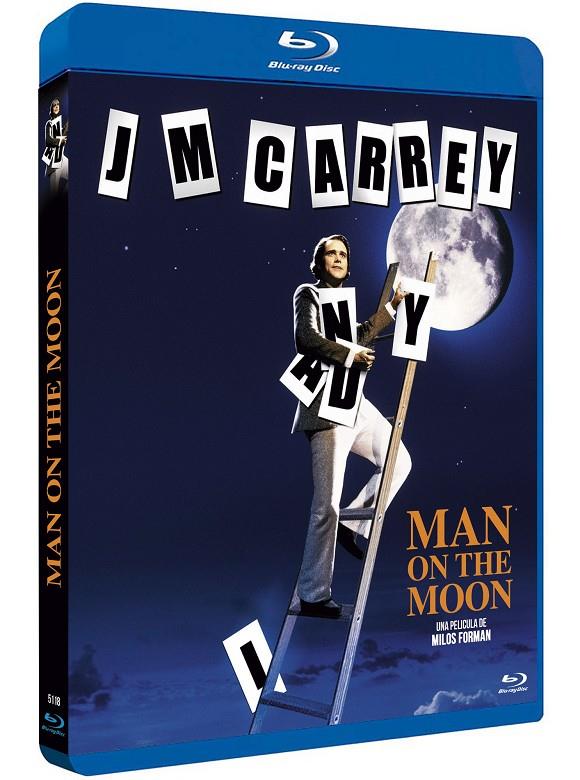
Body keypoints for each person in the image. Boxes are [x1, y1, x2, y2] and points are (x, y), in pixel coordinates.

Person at [292, 234, 412, 618]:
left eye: (343, 254)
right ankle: (314, 595)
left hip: (354, 402)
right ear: (319, 262)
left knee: (399, 461)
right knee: (326, 505)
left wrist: (392, 307)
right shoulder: (309, 294)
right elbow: (307, 338)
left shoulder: (343, 303)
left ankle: (354, 525)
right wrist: (351, 354)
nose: (339, 258)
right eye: (331, 253)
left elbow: (357, 336)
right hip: (326, 409)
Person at [43, 98, 69, 194]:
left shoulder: (59, 125)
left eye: (58, 105)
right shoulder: (49, 124)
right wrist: (60, 140)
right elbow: (48, 140)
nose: (56, 107)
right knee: (54, 192)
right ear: (51, 108)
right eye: (54, 105)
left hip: (61, 158)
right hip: (54, 162)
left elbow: (64, 133)